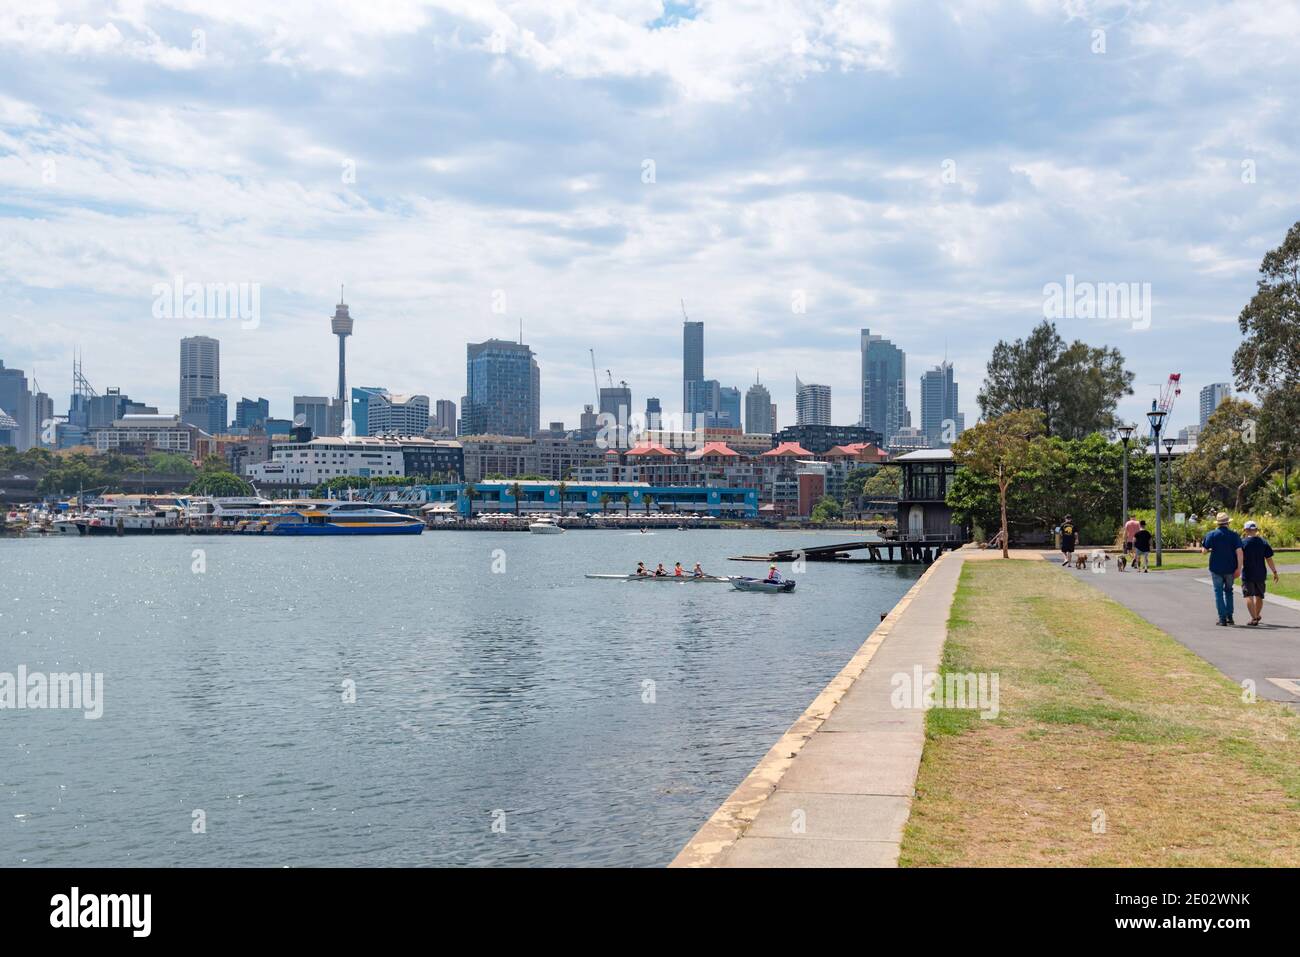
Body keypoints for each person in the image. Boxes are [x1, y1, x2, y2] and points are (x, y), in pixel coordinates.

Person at [1201, 512, 1244, 626]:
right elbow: (1239, 553)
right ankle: (1230, 616)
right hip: (1231, 568)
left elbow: (1204, 551)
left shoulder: (1212, 534)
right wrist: (1239, 568)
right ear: (1228, 523)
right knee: (1229, 591)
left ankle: (1222, 618)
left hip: (1216, 568)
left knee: (1218, 593)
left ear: (1218, 523)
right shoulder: (1234, 535)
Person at [1240, 520, 1279, 627]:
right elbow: (1269, 558)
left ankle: (1254, 618)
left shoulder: (1242, 543)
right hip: (1261, 573)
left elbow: (1239, 558)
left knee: (1248, 595)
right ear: (1256, 530)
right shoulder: (1263, 542)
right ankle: (1256, 615)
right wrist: (1274, 572)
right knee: (1259, 596)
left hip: (1248, 573)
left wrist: (1236, 569)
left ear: (1245, 530)